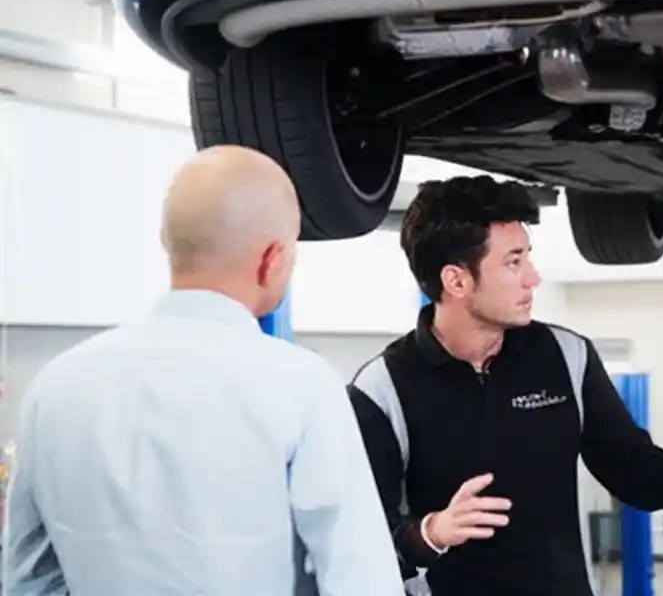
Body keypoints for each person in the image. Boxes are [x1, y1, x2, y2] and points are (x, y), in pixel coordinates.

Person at [347, 176, 663, 596]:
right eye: (514, 263)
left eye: (528, 258)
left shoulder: (564, 357)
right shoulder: (383, 389)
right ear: (456, 280)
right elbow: (360, 545)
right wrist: (431, 533)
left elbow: (637, 473)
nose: (533, 277)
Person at [2, 145, 405, 596]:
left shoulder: (55, 386)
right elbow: (360, 579)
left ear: (166, 241)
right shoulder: (301, 385)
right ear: (272, 259)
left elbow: (27, 578)